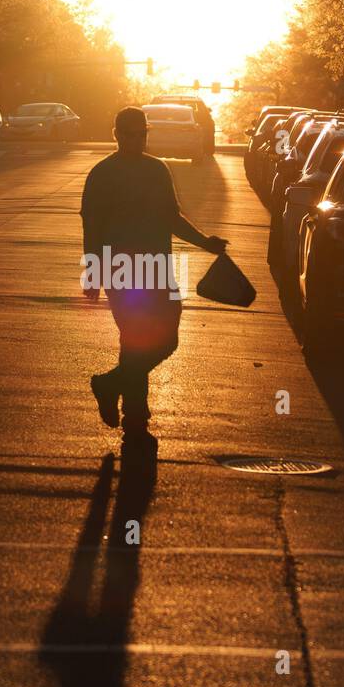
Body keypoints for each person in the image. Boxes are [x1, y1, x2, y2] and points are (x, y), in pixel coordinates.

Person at [81, 107, 227, 450]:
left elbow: (171, 218)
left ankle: (110, 385)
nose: (137, 140)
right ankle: (135, 413)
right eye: (130, 134)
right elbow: (92, 227)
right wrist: (92, 274)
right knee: (135, 338)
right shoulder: (102, 174)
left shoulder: (156, 169)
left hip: (157, 267)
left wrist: (205, 242)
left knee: (165, 341)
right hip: (120, 269)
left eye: (142, 134)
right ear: (116, 135)